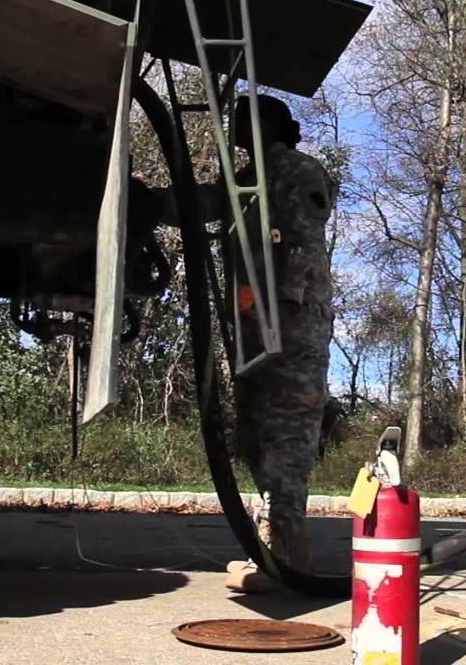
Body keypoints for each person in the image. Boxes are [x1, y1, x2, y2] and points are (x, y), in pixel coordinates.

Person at [161, 94, 334, 593]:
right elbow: (208, 205)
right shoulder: (246, 178)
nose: (231, 128)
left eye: (241, 120)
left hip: (291, 323)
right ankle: (274, 545)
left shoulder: (298, 171)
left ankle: (287, 546)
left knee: (289, 423)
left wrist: (278, 303)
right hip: (258, 322)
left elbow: (303, 241)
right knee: (256, 428)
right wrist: (154, 201)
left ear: (268, 126)